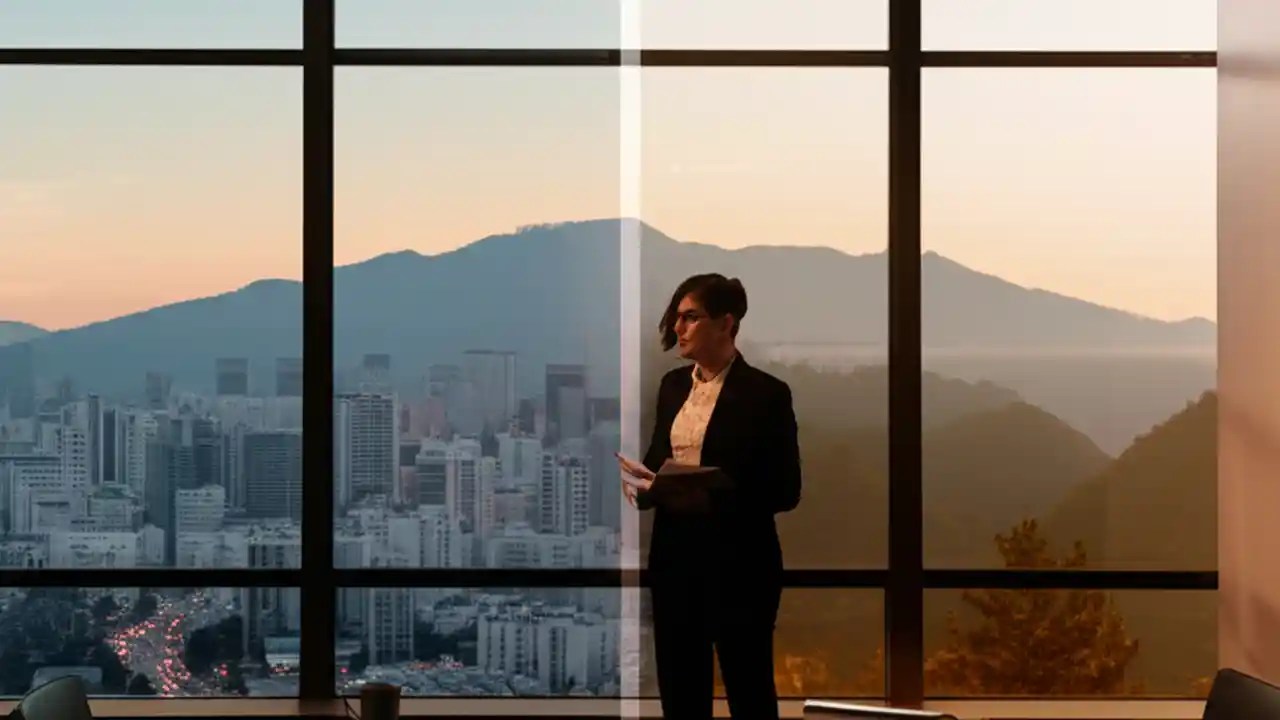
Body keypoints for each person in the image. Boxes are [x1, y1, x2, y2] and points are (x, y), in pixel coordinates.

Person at [617, 273, 802, 719]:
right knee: (680, 693)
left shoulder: (766, 395)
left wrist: (714, 493)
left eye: (690, 317)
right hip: (675, 562)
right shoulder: (673, 387)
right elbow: (658, 459)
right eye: (676, 318)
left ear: (726, 323)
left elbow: (786, 489)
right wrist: (644, 487)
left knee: (749, 688)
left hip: (742, 565)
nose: (678, 328)